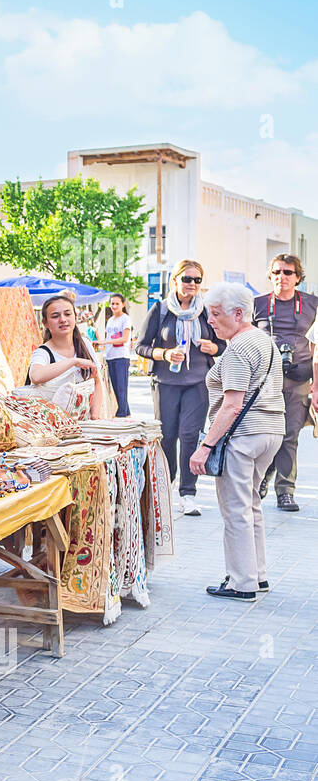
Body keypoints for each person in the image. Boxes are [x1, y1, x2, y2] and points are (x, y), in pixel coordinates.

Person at [190, 282, 285, 603]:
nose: (211, 321)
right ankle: (256, 576)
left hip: (243, 434)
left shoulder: (239, 348)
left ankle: (241, 582)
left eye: (216, 314)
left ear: (239, 314)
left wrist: (205, 446)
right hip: (271, 430)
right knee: (251, 505)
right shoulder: (265, 341)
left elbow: (232, 404)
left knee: (235, 510)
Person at [134, 260, 225, 516]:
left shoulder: (208, 312)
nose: (192, 285)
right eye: (187, 279)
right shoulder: (161, 310)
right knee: (167, 438)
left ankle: (188, 493)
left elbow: (224, 344)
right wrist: (164, 353)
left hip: (198, 384)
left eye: (197, 280)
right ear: (175, 281)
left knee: (189, 437)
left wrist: (214, 348)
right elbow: (140, 346)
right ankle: (165, 488)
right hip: (166, 384)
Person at [252, 254, 317, 512]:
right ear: (271, 275)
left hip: (299, 377)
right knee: (266, 435)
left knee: (290, 436)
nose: (282, 277)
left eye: (288, 272)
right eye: (277, 272)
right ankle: (262, 477)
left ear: (298, 277)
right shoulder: (257, 303)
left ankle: (285, 491)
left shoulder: (312, 304)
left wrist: (315, 386)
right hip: (265, 379)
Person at [25, 294, 106, 420]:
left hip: (85, 426)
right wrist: (73, 361)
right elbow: (36, 376)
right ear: (45, 323)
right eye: (55, 316)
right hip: (54, 428)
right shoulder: (43, 352)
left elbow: (96, 382)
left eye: (67, 314)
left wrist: (95, 416)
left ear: (75, 317)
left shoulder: (85, 345)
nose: (63, 319)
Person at [98, 293, 133, 417]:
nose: (114, 306)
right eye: (112, 303)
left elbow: (124, 339)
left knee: (121, 388)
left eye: (117, 303)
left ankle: (122, 414)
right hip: (110, 357)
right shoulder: (110, 320)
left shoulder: (126, 319)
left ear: (123, 304)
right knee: (115, 389)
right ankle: (127, 414)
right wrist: (101, 345)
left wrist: (105, 341)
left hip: (121, 357)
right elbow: (108, 339)